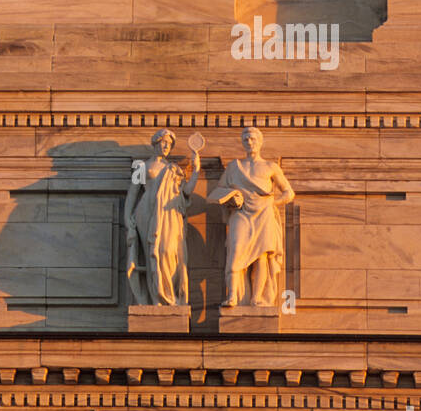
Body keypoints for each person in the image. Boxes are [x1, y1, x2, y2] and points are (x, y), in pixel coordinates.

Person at [209, 126, 294, 307]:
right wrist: (232, 195)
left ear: (260, 142)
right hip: (241, 214)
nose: (249, 142)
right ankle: (232, 295)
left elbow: (288, 193)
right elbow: (218, 190)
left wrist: (273, 203)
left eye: (253, 139)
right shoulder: (234, 167)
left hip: (264, 214)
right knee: (236, 251)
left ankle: (256, 297)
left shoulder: (271, 167)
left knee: (261, 257)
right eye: (246, 139)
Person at [125, 129, 200, 306]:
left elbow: (187, 192)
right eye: (163, 142)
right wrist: (128, 220)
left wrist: (196, 170)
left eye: (169, 143)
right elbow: (132, 194)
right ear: (155, 143)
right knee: (153, 255)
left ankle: (170, 298)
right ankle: (156, 299)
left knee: (168, 251)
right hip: (146, 213)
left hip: (169, 213)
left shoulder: (173, 169)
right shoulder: (141, 167)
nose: (166, 146)